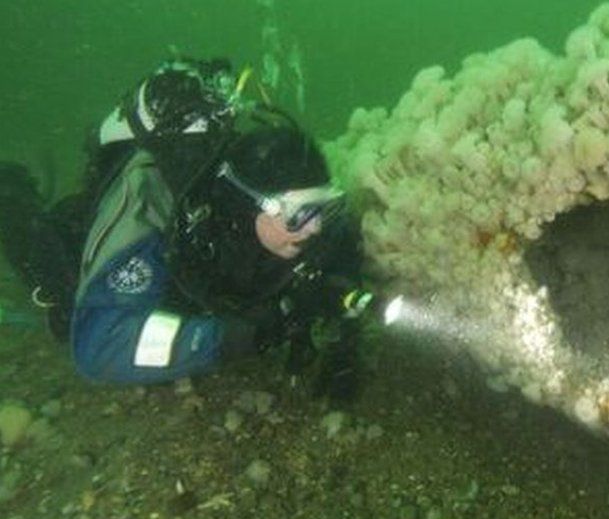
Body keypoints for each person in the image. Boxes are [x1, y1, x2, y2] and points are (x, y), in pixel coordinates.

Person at [0, 58, 368, 399]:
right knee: (59, 290)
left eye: (325, 206)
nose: (315, 226)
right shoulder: (149, 212)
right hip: (93, 236)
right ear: (252, 204)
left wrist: (345, 348)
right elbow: (100, 346)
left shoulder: (304, 218)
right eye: (301, 215)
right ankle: (11, 191)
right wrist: (241, 336)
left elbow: (344, 259)